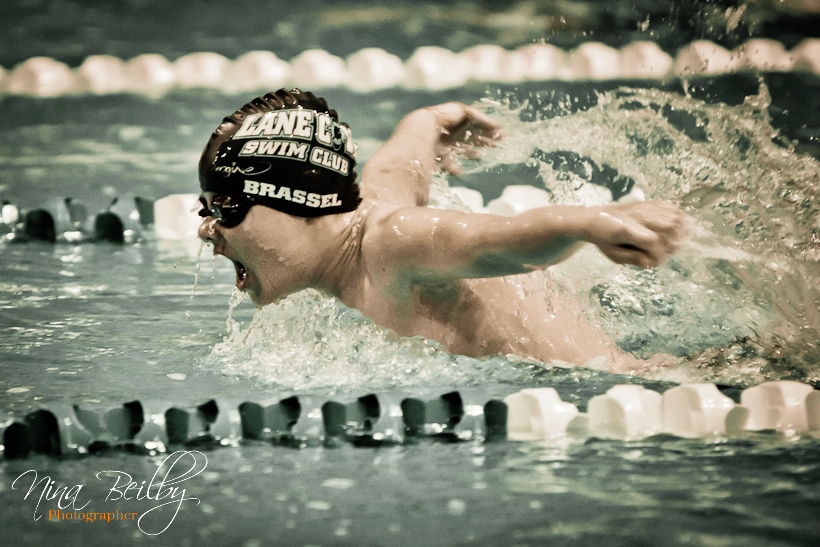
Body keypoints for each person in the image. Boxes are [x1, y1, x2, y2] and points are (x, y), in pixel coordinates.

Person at [197, 88, 687, 374]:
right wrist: (430, 120)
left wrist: (590, 223)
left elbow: (504, 239)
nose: (206, 229)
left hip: (630, 386)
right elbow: (399, 163)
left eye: (225, 206)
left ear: (296, 200)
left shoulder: (391, 243)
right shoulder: (368, 209)